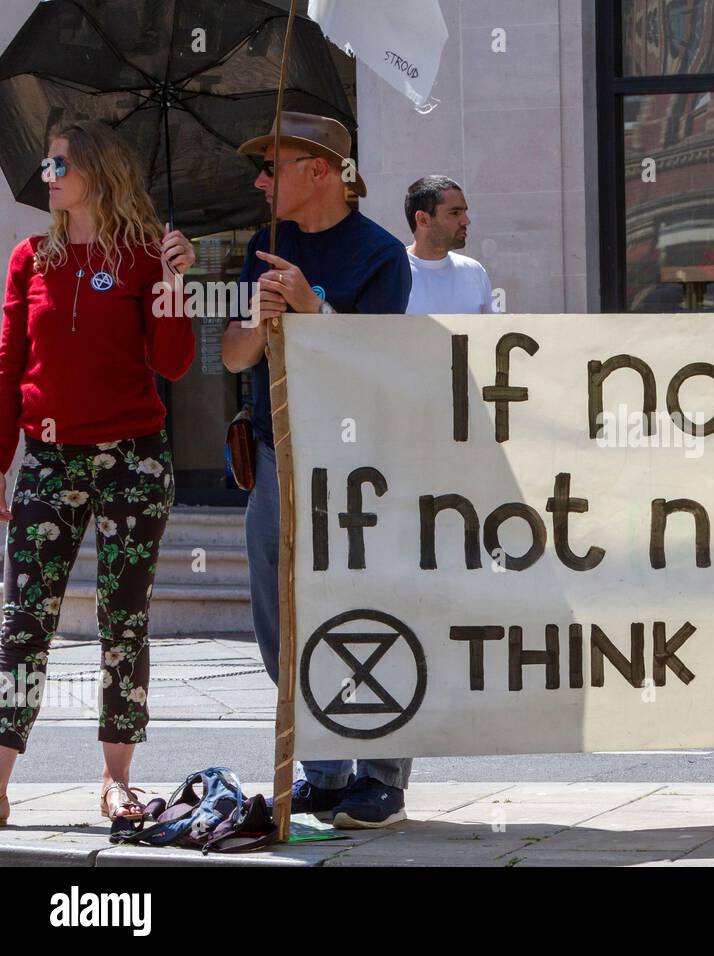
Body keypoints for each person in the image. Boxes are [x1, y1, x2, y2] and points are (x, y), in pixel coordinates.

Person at [0, 120, 195, 831]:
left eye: (60, 162)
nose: (48, 173)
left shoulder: (147, 256)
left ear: (97, 171)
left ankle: (116, 781)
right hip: (48, 460)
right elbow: (8, 364)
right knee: (24, 623)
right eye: (48, 161)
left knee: (124, 622)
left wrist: (176, 282)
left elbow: (173, 364)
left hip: (133, 459)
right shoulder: (29, 258)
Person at [221, 112, 412, 829]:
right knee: (282, 616)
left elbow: (380, 365)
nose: (260, 180)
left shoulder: (381, 254)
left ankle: (382, 777)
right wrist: (261, 322)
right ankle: (325, 772)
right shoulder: (263, 247)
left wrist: (312, 307)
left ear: (321, 171)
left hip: (360, 463)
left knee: (370, 610)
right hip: (278, 454)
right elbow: (235, 356)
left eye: (274, 166)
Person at [404, 175, 494, 314]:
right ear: (423, 219)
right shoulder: (392, 275)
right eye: (455, 213)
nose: (466, 221)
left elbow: (493, 332)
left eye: (464, 212)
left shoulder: (474, 271)